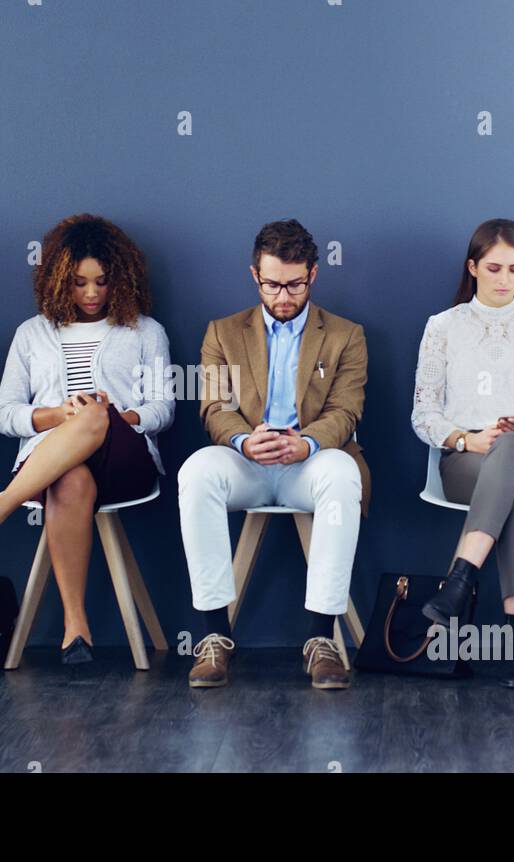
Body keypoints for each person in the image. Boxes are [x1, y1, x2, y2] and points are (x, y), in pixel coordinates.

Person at [0, 214, 173, 664]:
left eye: (102, 282)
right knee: (70, 481)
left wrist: (110, 416)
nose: (91, 294)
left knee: (94, 415)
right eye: (79, 282)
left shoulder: (146, 332)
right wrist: (56, 416)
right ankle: (75, 628)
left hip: (125, 462)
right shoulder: (32, 334)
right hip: (55, 467)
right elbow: (5, 415)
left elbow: (163, 409)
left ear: (120, 280)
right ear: (58, 280)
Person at [178, 219, 369, 690]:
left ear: (313, 276)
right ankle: (214, 639)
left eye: (295, 284)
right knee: (197, 470)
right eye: (272, 284)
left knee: (343, 473)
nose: (283, 296)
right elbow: (215, 407)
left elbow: (347, 410)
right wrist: (245, 440)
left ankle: (321, 640)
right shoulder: (222, 333)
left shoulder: (346, 335)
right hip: (247, 462)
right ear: (254, 275)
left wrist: (307, 442)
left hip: (309, 462)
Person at [411, 218, 514, 688]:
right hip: (468, 460)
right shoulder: (442, 327)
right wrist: (467, 439)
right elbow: (423, 415)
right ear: (473, 267)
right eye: (494, 268)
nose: (505, 279)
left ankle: (460, 580)